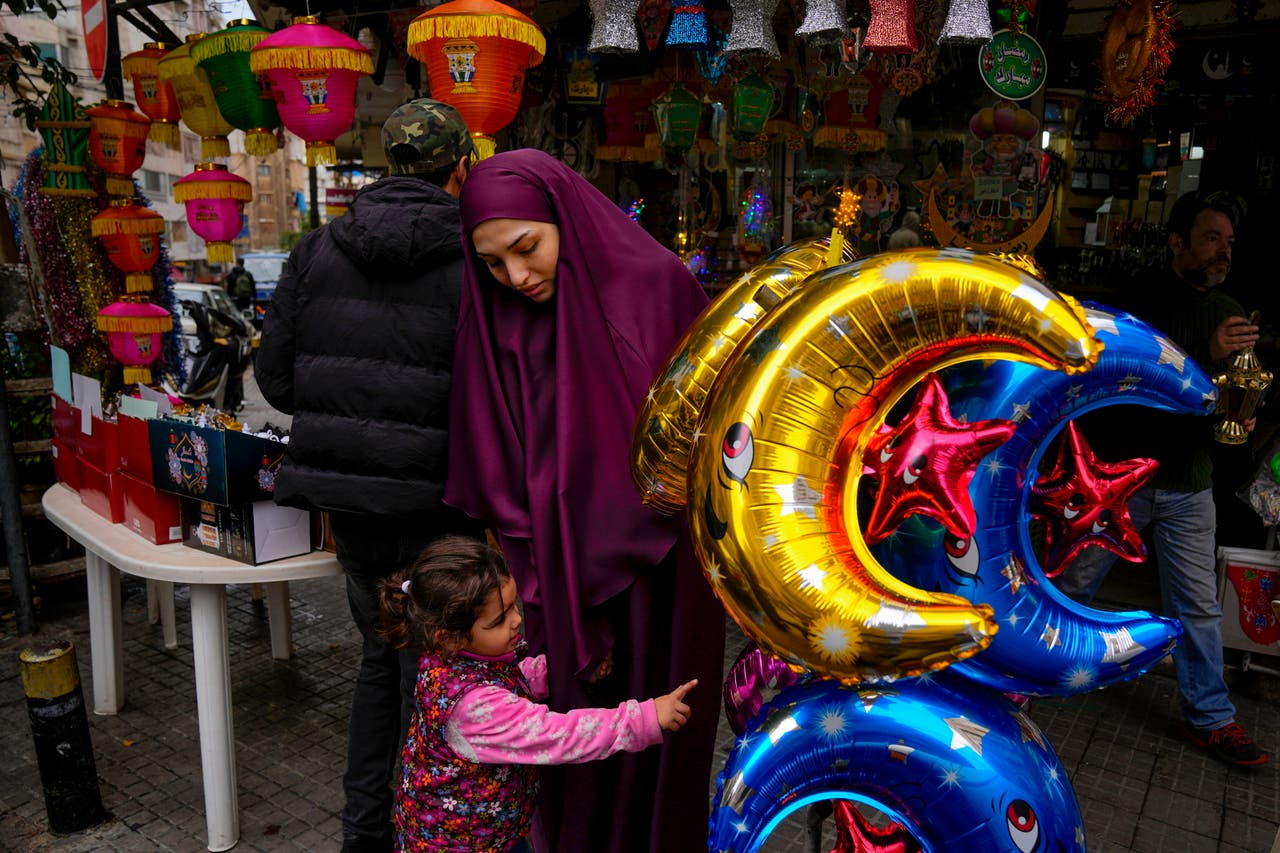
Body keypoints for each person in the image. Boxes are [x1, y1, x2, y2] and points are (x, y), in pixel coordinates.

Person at [445, 148, 726, 851]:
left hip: (666, 573)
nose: (516, 275)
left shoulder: (656, 284)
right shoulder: (494, 319)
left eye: (526, 247)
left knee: (667, 733)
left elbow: (713, 431)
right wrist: (549, 594)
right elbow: (495, 469)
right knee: (580, 743)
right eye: (493, 263)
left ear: (561, 213)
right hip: (557, 575)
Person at [255, 99, 486, 853]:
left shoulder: (316, 251)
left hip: (351, 509)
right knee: (440, 668)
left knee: (381, 661)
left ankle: (366, 835)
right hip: (438, 505)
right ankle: (434, 830)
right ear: (459, 169)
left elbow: (278, 382)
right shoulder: (477, 261)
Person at [1055, 190, 1268, 767]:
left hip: (1190, 480)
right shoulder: (1139, 300)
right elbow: (1130, 376)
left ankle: (1211, 718)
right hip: (1120, 477)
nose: (1223, 250)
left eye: (1228, 241)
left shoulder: (1230, 305)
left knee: (1198, 605)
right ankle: (1021, 682)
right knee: (1072, 586)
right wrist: (1205, 351)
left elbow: (1223, 393)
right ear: (1176, 242)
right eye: (1209, 238)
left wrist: (1240, 410)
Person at [379, 536, 699, 853]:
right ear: (449, 636)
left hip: (489, 831)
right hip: (464, 844)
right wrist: (645, 718)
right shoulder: (471, 706)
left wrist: (554, 672)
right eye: (499, 620)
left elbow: (505, 682)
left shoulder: (449, 658)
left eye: (513, 605)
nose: (517, 620)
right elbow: (560, 736)